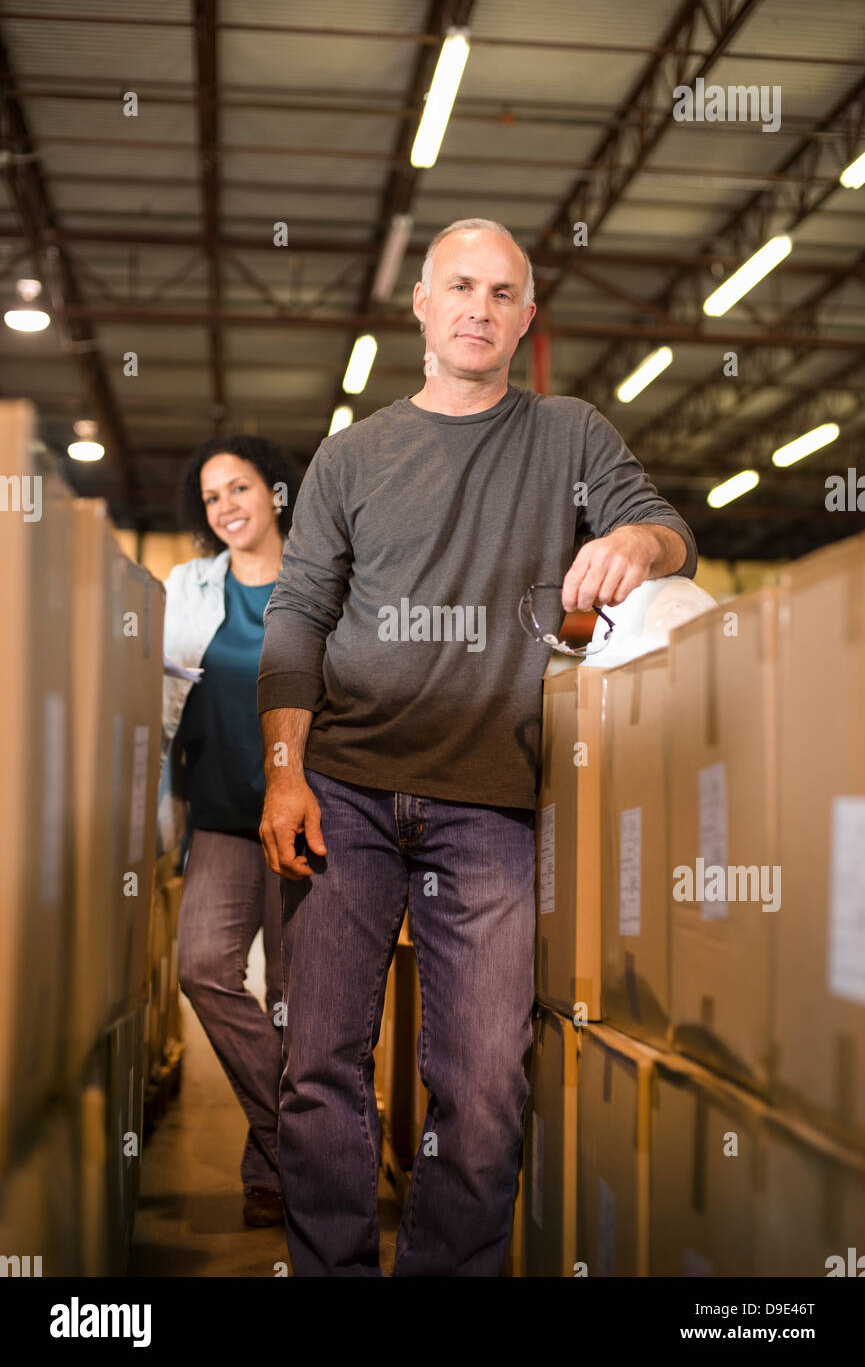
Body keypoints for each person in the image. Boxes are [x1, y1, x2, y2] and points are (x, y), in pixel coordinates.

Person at [257, 218, 698, 1276]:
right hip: (346, 794)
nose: (479, 309)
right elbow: (298, 618)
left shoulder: (570, 434)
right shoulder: (352, 454)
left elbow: (668, 526)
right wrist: (283, 772)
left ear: (526, 319)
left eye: (503, 294)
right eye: (460, 286)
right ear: (419, 302)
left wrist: (636, 539)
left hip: (493, 805)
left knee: (487, 1080)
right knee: (317, 1067)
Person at [159, 433, 300, 1227]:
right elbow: (157, 687)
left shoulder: (320, 581)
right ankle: (300, 1138)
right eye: (212, 496)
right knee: (203, 967)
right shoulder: (187, 586)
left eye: (239, 488)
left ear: (275, 494)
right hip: (218, 814)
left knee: (292, 996)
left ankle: (273, 1168)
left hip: (304, 810)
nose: (226, 507)